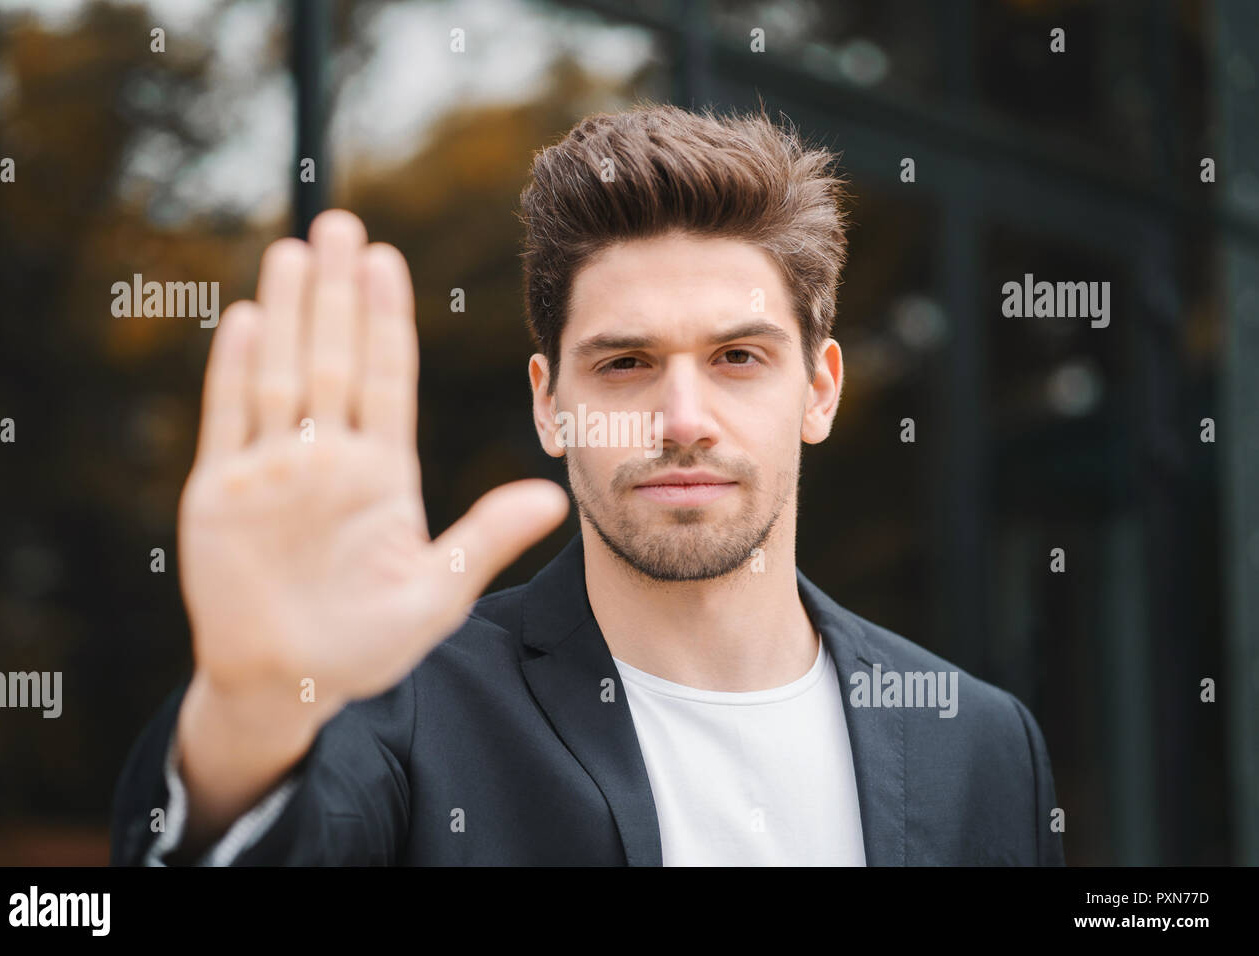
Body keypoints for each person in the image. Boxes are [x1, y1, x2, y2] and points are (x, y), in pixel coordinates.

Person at [110, 102, 1063, 866]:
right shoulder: (397, 709)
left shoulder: (979, 743)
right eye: (624, 364)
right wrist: (248, 719)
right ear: (549, 404)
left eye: (738, 356)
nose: (682, 417)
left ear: (819, 391)